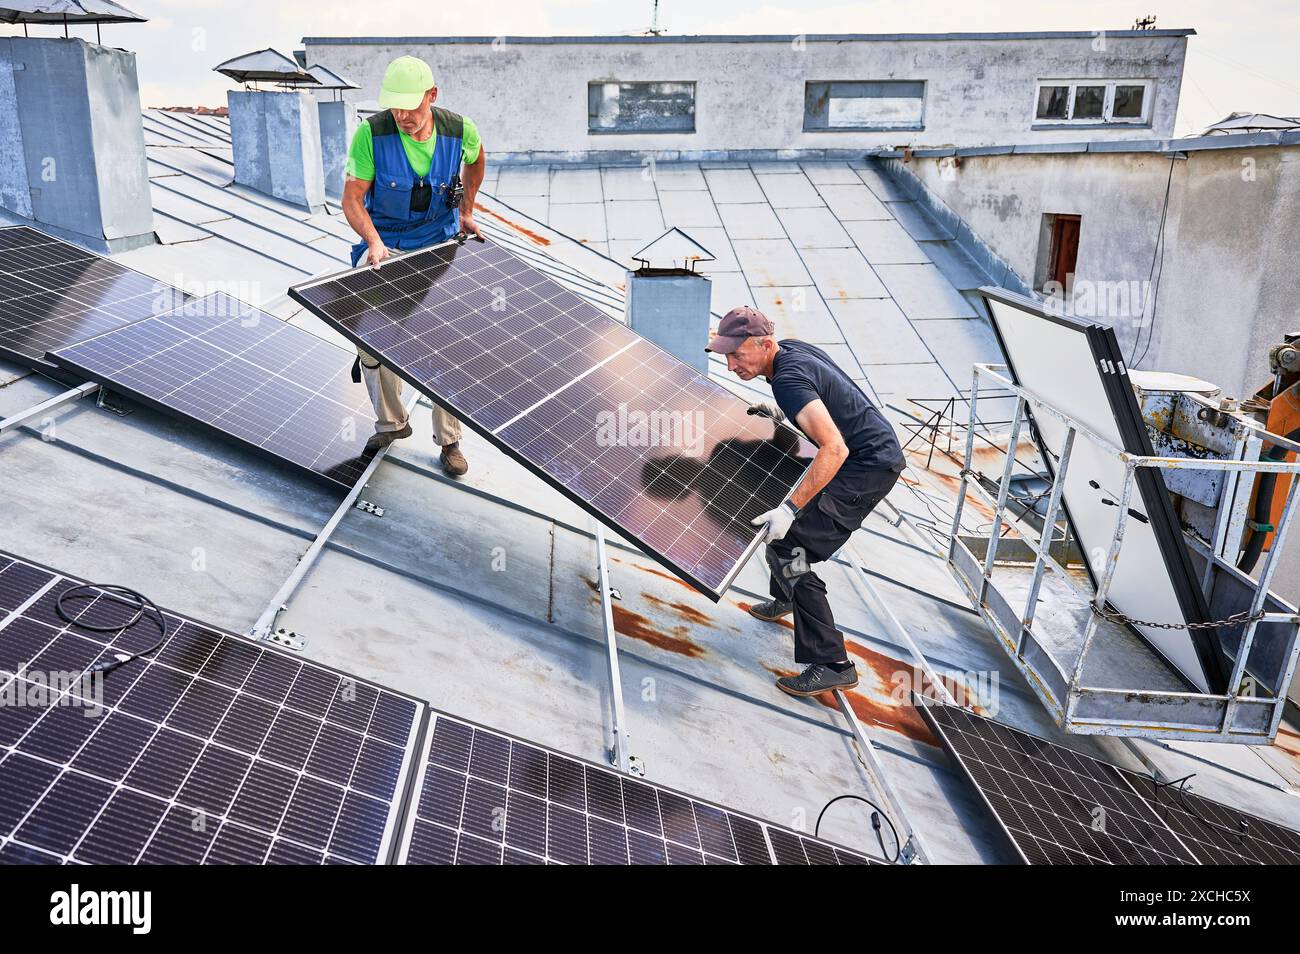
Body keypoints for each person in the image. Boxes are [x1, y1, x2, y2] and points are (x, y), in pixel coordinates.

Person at [708, 306, 906, 697]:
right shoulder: (792, 352)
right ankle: (785, 597)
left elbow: (833, 448)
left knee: (788, 547)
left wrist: (790, 510)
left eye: (737, 354)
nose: (731, 365)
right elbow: (826, 395)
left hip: (866, 468)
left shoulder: (789, 380)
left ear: (765, 344)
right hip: (865, 450)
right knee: (777, 521)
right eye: (726, 355)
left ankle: (832, 663)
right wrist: (786, 414)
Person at [341, 54, 486, 477]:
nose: (402, 115)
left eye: (411, 105)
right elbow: (352, 198)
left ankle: (450, 439)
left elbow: (476, 161)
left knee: (443, 341)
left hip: (439, 244)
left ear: (432, 96)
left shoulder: (460, 130)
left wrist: (468, 210)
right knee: (371, 338)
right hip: (386, 246)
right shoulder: (372, 134)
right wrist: (372, 240)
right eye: (395, 106)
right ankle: (392, 423)